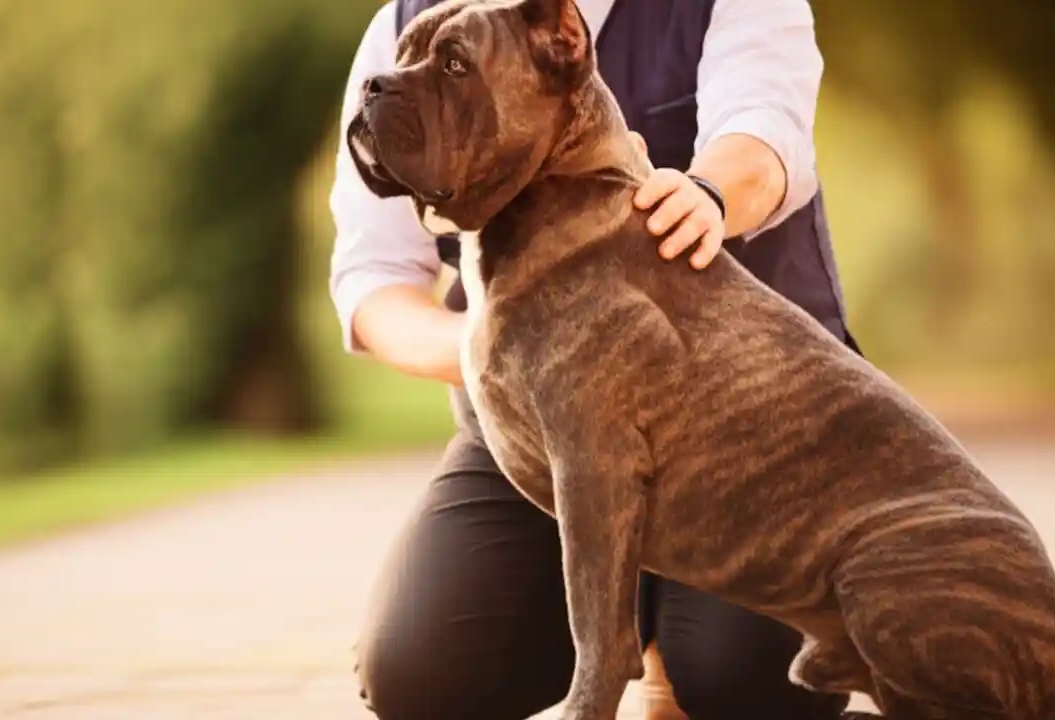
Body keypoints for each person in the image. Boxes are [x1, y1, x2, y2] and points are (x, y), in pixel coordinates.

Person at [329, 1, 859, 718]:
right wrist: (500, 350)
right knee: (421, 674)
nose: (408, 72)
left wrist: (705, 196)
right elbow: (373, 280)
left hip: (745, 423)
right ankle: (633, 614)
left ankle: (675, 631)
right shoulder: (407, 17)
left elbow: (765, 139)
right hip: (538, 434)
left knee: (754, 685)